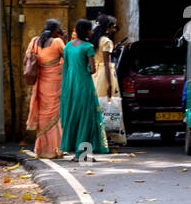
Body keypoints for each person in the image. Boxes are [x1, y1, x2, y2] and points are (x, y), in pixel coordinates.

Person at [60, 18, 110, 158]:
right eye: (90, 29)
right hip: (84, 85)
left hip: (70, 86)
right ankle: (82, 154)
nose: (92, 31)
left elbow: (67, 66)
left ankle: (77, 153)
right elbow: (92, 69)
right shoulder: (88, 47)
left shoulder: (68, 46)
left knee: (74, 116)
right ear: (85, 31)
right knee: (86, 117)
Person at [25, 19, 65, 158]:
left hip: (40, 82)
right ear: (55, 31)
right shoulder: (57, 42)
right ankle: (54, 149)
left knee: (42, 112)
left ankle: (42, 149)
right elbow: (68, 57)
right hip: (55, 82)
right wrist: (64, 39)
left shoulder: (34, 41)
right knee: (54, 115)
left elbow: (27, 60)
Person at [90, 14, 120, 100]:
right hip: (104, 74)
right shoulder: (106, 41)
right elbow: (106, 63)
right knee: (106, 100)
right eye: (113, 27)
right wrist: (109, 84)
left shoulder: (95, 40)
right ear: (107, 28)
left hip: (95, 74)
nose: (114, 30)